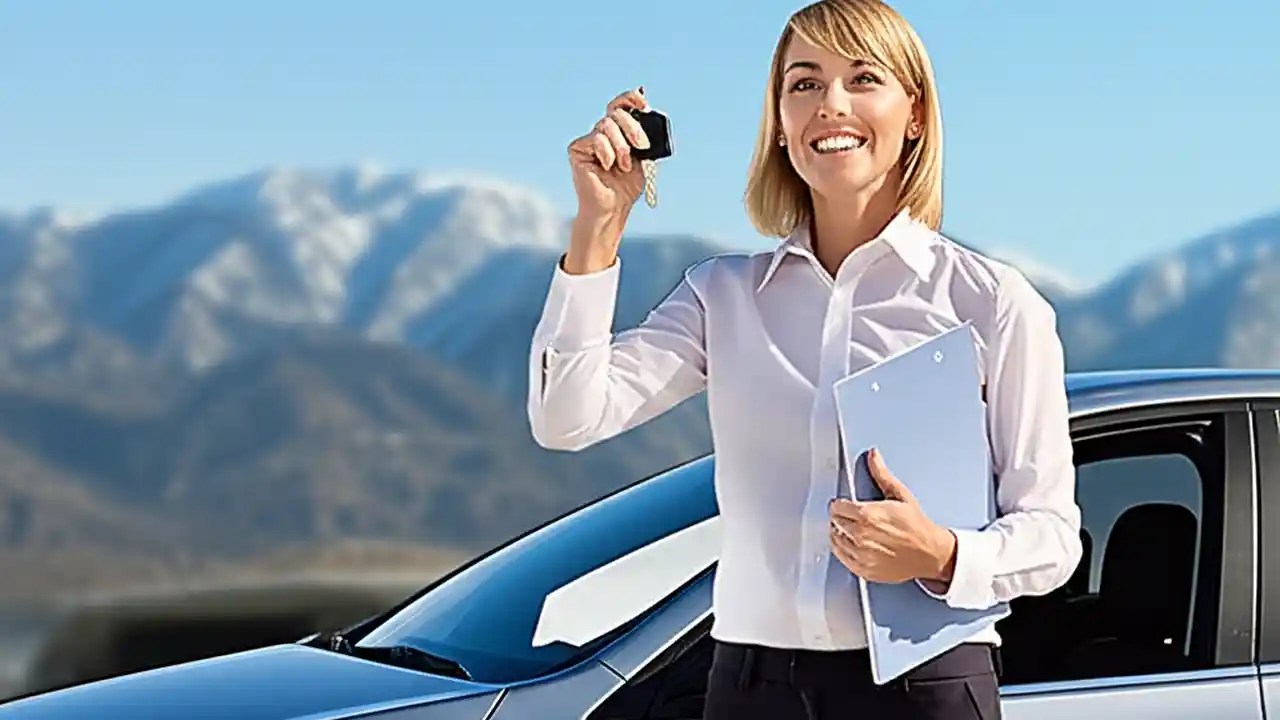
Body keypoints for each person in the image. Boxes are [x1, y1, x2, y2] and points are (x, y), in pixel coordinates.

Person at [526, 0, 1082, 717]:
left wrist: (943, 555)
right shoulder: (723, 297)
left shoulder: (992, 303)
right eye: (805, 83)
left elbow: (1051, 536)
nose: (831, 104)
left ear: (915, 114)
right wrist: (599, 227)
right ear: (781, 122)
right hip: (750, 690)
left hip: (926, 687)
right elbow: (567, 419)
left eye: (863, 78)